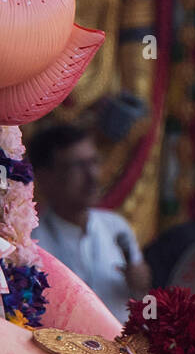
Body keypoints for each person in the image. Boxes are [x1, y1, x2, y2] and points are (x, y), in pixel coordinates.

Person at [30, 123, 151, 322]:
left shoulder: (116, 227)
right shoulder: (32, 240)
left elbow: (142, 301)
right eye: (78, 166)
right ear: (45, 177)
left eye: (94, 162)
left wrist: (141, 286)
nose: (93, 176)